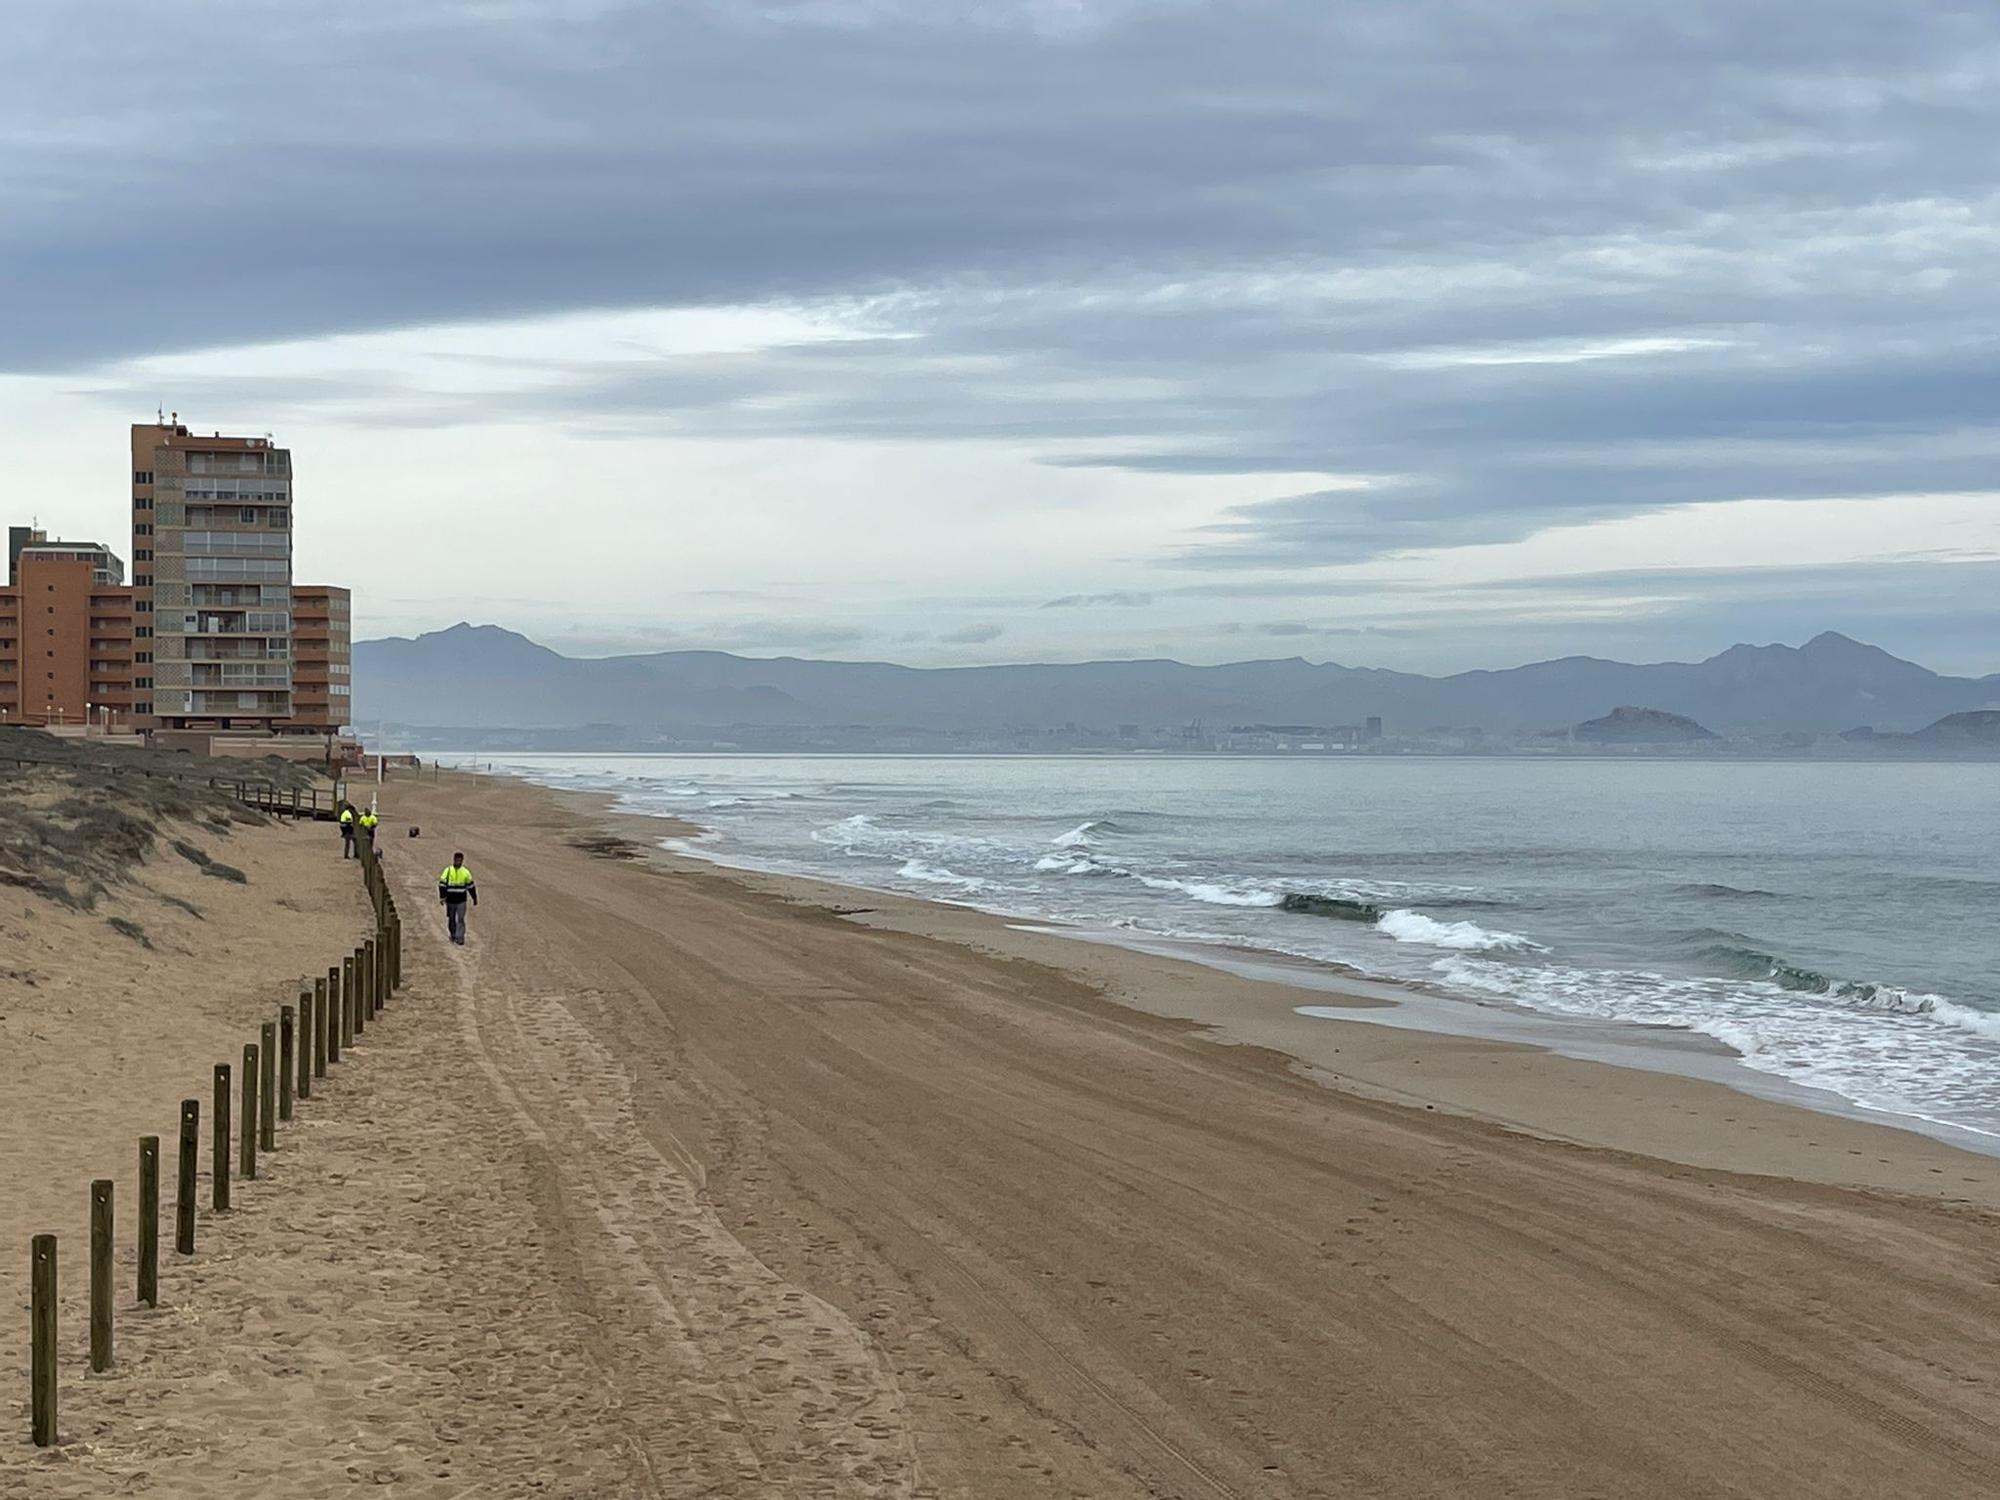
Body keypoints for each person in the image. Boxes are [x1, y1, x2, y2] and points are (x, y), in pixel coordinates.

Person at [438, 853, 477, 945]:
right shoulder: (447, 871)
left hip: (461, 901)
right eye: (457, 860)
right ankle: (453, 934)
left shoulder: (465, 872)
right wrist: (442, 897)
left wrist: (474, 897)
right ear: (454, 860)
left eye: (460, 860)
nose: (458, 861)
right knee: (451, 919)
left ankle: (460, 938)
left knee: (460, 919)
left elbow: (471, 886)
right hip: (450, 900)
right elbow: (442, 885)